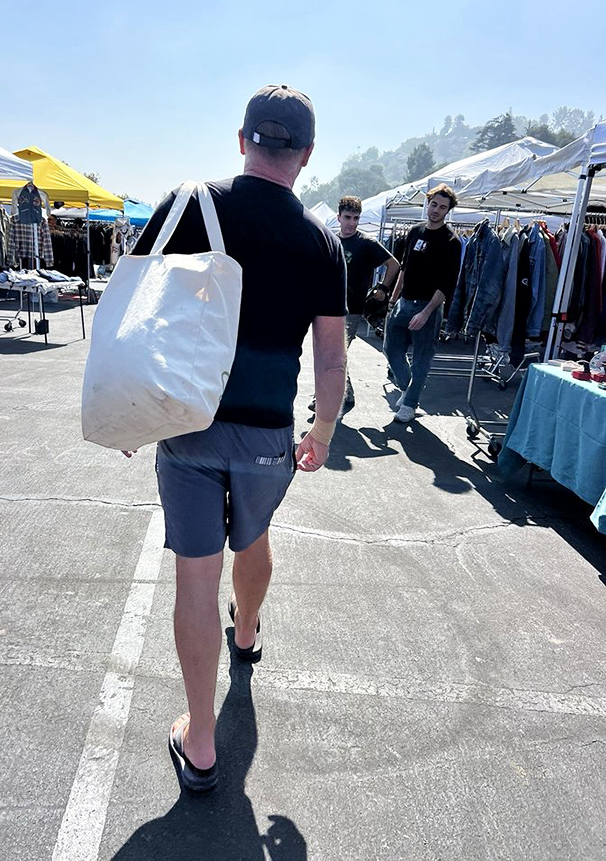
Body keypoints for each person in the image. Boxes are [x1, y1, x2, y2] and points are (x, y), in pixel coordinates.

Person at [127, 84, 348, 792]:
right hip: (264, 434)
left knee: (196, 572)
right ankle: (246, 631)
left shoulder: (189, 205)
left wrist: (128, 409)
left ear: (242, 139)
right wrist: (322, 427)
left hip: (188, 422)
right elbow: (332, 357)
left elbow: (131, 306)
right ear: (306, 155)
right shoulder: (321, 240)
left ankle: (199, 741)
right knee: (251, 542)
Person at [311, 195, 399, 413]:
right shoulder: (331, 239)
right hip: (327, 307)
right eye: (348, 217)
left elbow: (394, 264)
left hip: (352, 309)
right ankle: (347, 394)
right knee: (334, 354)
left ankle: (323, 399)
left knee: (334, 355)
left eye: (356, 218)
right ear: (338, 217)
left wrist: (383, 288)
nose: (351, 223)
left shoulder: (366, 243)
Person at [383, 183, 461, 423]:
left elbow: (446, 284)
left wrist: (427, 312)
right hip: (404, 302)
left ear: (448, 211)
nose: (436, 210)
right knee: (390, 347)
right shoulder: (415, 231)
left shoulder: (452, 241)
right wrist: (393, 300)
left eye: (442, 207)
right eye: (434, 204)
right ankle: (408, 387)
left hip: (428, 306)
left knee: (422, 358)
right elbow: (405, 268)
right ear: (428, 203)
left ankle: (410, 404)